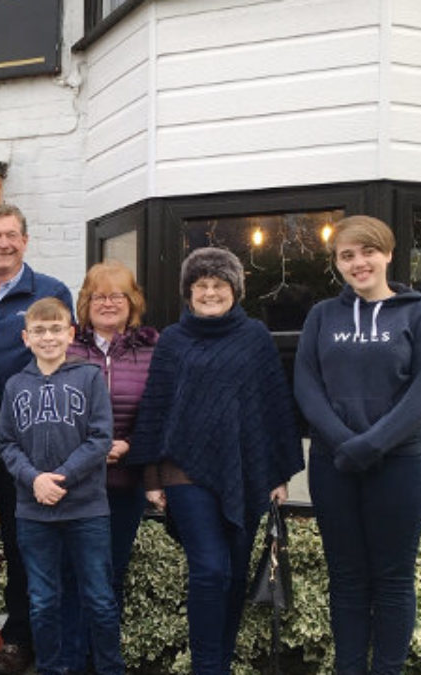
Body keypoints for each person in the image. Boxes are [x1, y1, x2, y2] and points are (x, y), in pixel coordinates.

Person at [130, 248, 304, 675]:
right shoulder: (173, 340)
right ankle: (206, 667)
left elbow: (273, 406)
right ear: (189, 292)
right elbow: (155, 407)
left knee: (234, 574)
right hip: (183, 471)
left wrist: (278, 473)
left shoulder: (255, 337)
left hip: (245, 471)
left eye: (219, 285)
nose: (210, 292)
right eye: (201, 285)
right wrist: (151, 477)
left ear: (235, 290)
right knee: (209, 569)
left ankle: (219, 665)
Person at [293, 216, 421, 675]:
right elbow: (306, 384)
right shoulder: (322, 316)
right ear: (337, 263)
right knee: (346, 578)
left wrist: (373, 444)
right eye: (347, 255)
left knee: (393, 579)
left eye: (368, 251)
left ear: (388, 254)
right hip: (334, 464)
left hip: (401, 465)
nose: (359, 262)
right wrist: (345, 443)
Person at [0, 203, 73, 674]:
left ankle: (20, 638)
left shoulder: (51, 292)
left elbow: (62, 363)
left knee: (24, 543)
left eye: (11, 236)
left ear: (25, 241)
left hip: (26, 445)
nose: (2, 244)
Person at [0, 297, 124, 675]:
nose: (48, 337)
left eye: (56, 329)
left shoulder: (89, 377)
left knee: (99, 599)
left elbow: (100, 438)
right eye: (39, 330)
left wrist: (63, 477)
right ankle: (50, 669)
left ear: (70, 334)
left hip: (87, 509)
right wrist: (34, 479)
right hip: (34, 512)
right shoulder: (15, 386)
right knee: (42, 602)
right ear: (26, 338)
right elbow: (7, 443)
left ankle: (109, 668)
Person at [66, 262, 158, 612]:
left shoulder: (151, 351)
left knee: (111, 572)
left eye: (117, 296)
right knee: (72, 573)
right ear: (86, 303)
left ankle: (104, 644)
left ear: (132, 302)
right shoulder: (67, 350)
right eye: (99, 296)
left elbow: (159, 412)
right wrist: (89, 449)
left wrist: (130, 444)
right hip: (75, 483)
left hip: (125, 481)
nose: (108, 303)